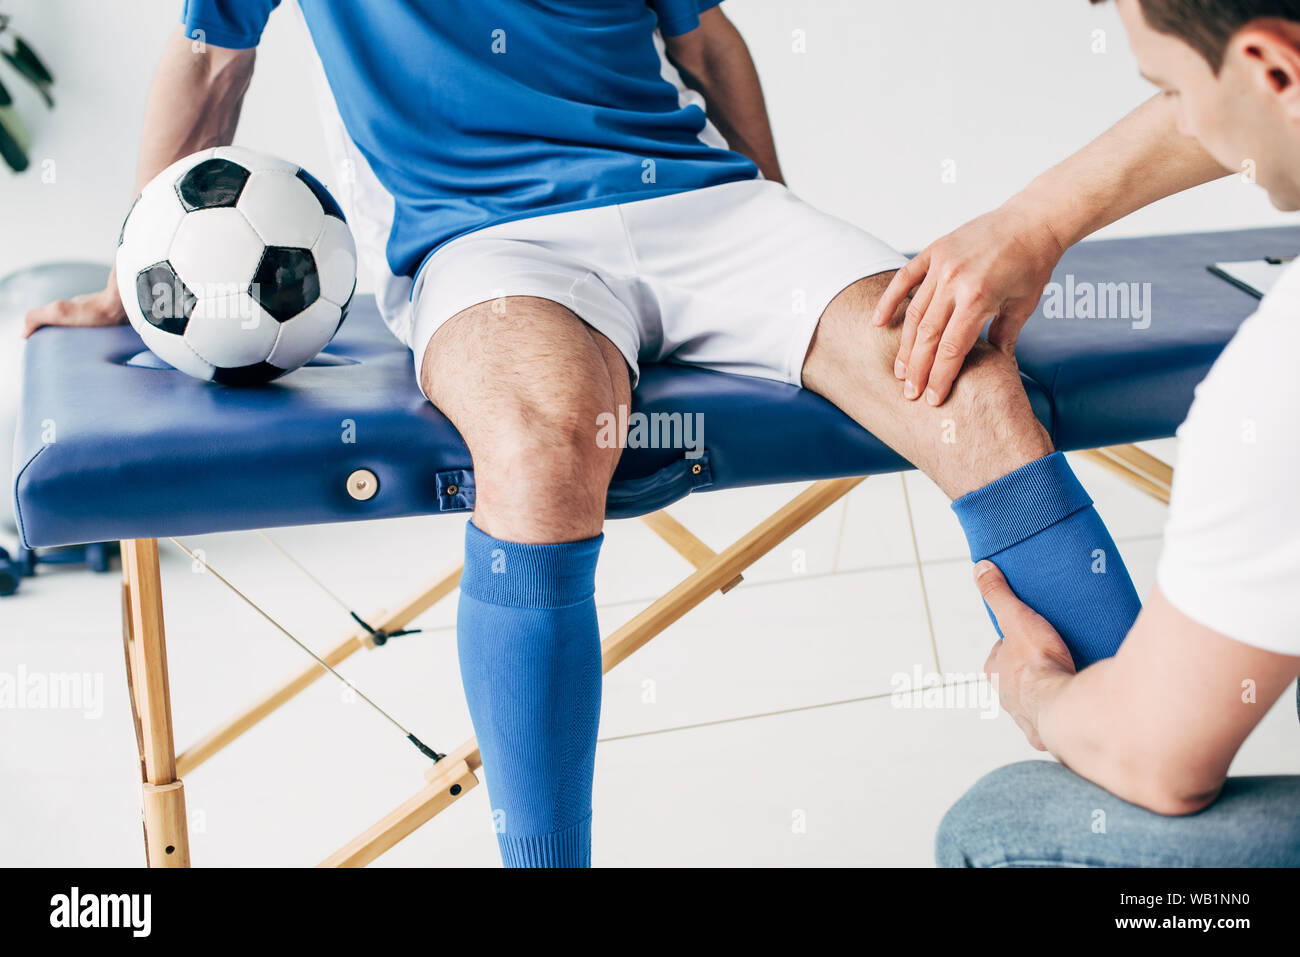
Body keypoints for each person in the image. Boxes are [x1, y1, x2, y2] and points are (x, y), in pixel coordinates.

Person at [24, 1, 1142, 867]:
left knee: (964, 378)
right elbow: (212, 60)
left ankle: (1149, 775)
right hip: (487, 237)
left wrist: (781, 227)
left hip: (708, 206)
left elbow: (706, 44)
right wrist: (138, 277)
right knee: (541, 442)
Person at [934, 0, 1300, 868]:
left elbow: (1160, 765)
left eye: (1171, 89)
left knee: (995, 831)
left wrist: (1041, 691)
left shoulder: (1275, 380)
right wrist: (1040, 218)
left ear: (1275, 69)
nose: (1185, 121)